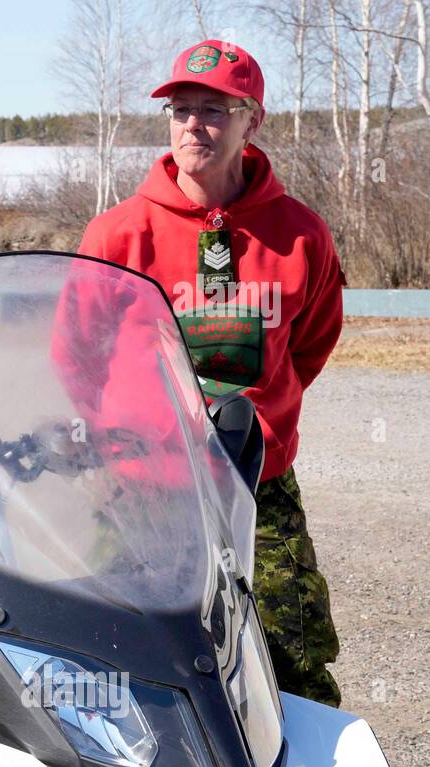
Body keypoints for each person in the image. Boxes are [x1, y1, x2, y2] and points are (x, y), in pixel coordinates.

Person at [78, 41, 345, 705]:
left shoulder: (301, 236)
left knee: (296, 658)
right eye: (181, 110)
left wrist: (263, 419)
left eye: (214, 111)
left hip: (258, 481)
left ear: (252, 120)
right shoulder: (117, 236)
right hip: (143, 483)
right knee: (109, 654)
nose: (193, 125)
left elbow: (309, 345)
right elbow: (77, 354)